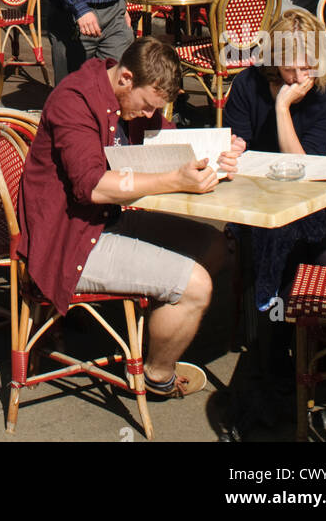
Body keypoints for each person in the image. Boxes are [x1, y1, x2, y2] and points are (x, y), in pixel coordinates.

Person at [17, 36, 241, 397]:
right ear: (125, 79)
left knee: (215, 246)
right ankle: (156, 375)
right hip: (70, 240)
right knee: (196, 286)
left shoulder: (129, 98)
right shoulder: (74, 100)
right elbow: (90, 187)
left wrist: (221, 149)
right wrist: (173, 180)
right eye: (148, 105)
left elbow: (166, 143)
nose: (150, 115)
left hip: (108, 220)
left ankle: (157, 320)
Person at [223, 9, 326, 314]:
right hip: (256, 197)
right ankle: (275, 341)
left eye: (308, 67)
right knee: (278, 252)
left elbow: (302, 169)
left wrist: (282, 108)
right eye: (290, 69)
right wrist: (229, 148)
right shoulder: (247, 85)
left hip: (310, 198)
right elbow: (231, 145)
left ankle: (317, 340)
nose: (300, 78)